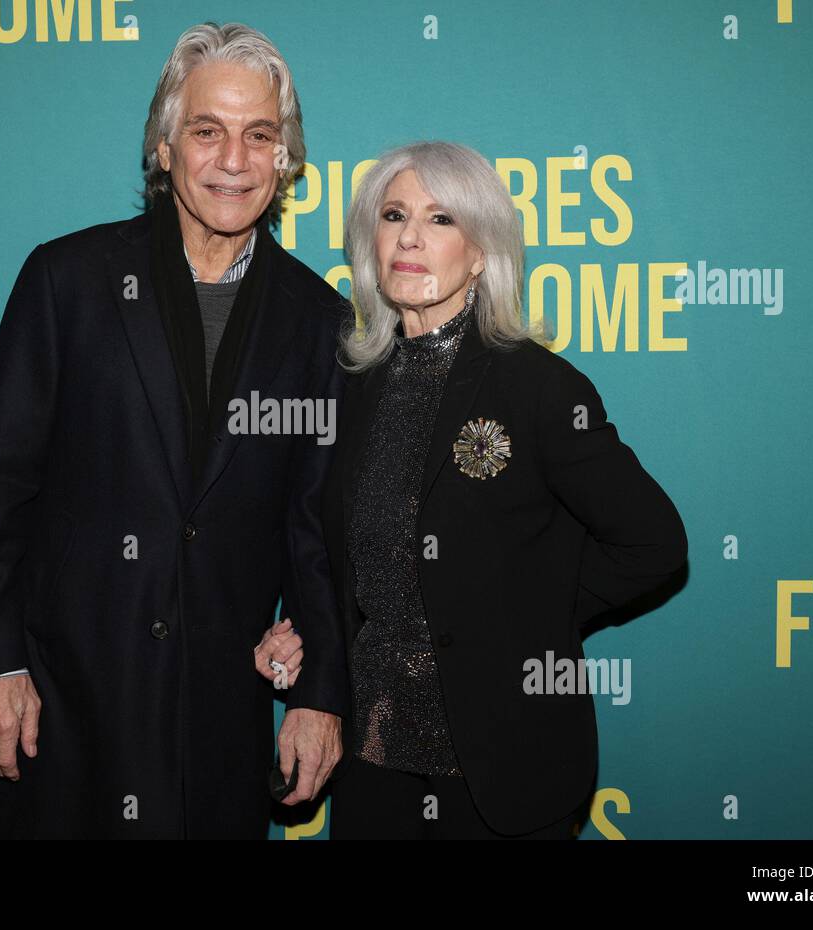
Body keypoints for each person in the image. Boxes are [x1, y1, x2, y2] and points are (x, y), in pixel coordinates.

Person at [0, 22, 350, 839]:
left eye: (258, 135)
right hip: (58, 707)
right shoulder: (67, 281)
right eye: (207, 131)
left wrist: (317, 695)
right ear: (164, 150)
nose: (233, 159)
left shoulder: (320, 322)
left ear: (284, 158)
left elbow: (314, 533)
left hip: (215, 727)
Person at [264, 140, 687, 838]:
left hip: (504, 769)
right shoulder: (348, 387)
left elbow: (654, 542)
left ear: (483, 250)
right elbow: (343, 557)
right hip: (374, 767)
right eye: (394, 215)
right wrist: (307, 631)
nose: (409, 236)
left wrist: (526, 615)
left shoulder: (539, 388)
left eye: (441, 220)